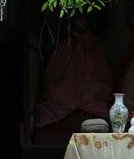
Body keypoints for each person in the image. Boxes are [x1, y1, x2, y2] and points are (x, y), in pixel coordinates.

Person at [34, 15, 112, 144]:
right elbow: (55, 71)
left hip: (89, 88)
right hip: (68, 87)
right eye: (77, 19)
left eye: (83, 19)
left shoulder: (94, 44)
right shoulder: (65, 45)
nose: (80, 23)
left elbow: (101, 70)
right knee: (54, 92)